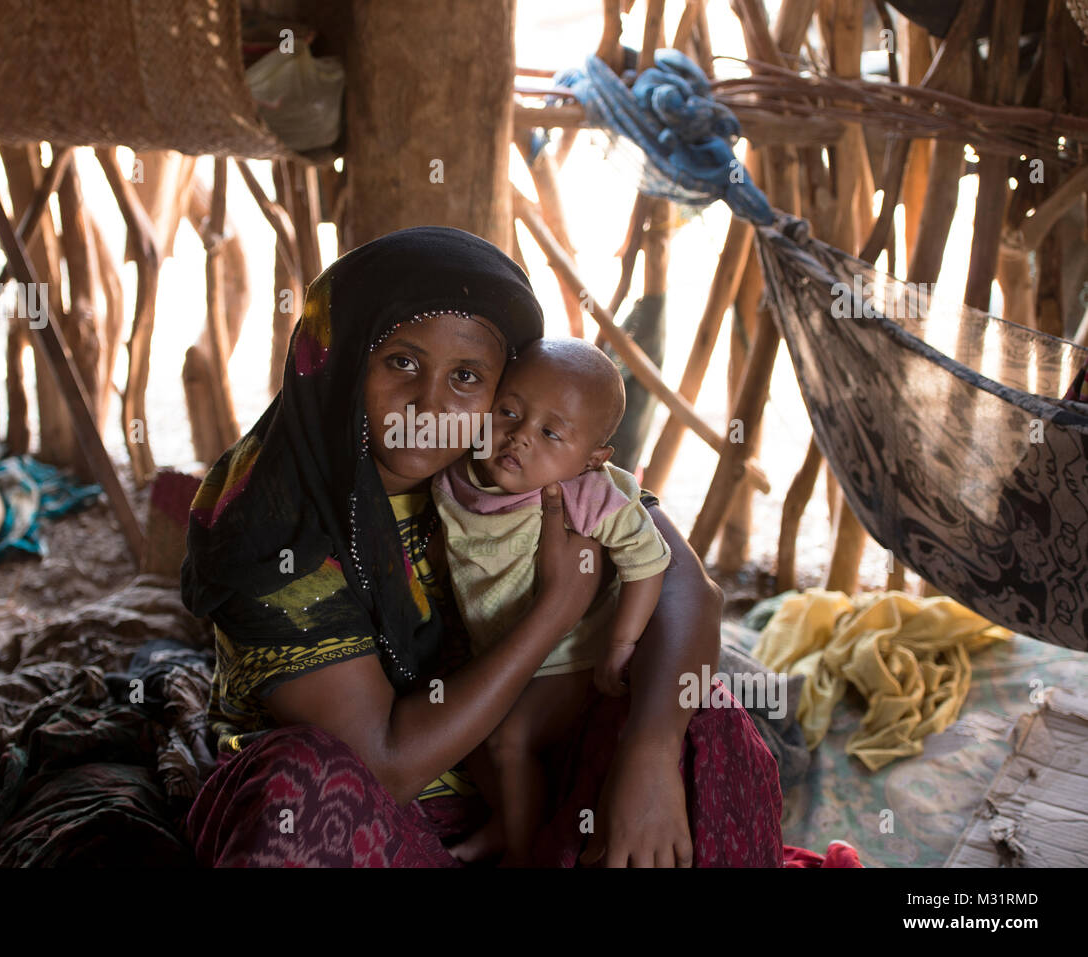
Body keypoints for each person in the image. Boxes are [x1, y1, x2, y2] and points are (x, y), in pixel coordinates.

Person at [181, 224, 787, 867]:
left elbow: (687, 586)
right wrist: (557, 607)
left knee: (704, 721)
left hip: (523, 784)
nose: (431, 404)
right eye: (401, 362)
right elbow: (383, 766)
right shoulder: (269, 519)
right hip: (374, 817)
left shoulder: (508, 455)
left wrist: (650, 753)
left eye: (467, 376)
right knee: (302, 788)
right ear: (339, 357)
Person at [433, 338, 671, 864]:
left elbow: (649, 561)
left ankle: (523, 855)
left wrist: (621, 642)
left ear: (593, 458)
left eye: (549, 432)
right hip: (499, 650)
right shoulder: (453, 470)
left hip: (570, 658)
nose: (518, 436)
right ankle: (505, 823)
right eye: (509, 412)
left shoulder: (585, 494)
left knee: (509, 741)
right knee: (463, 734)